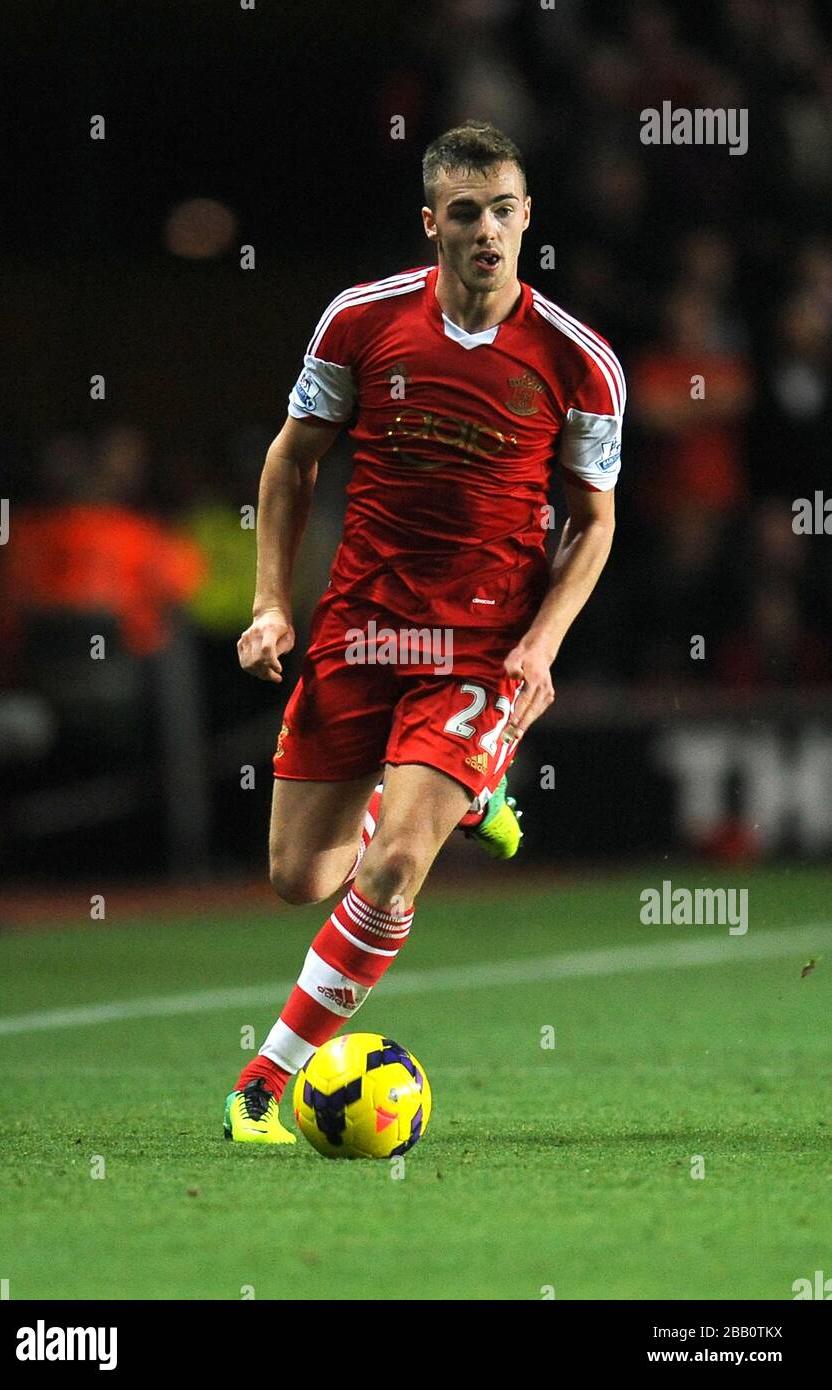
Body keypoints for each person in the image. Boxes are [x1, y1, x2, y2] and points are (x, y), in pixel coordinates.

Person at [225, 122, 625, 1144]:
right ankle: (462, 795)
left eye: (502, 210)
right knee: (298, 880)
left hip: (481, 647)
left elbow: (591, 521)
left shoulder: (579, 363)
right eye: (464, 213)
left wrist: (541, 642)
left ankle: (264, 1083)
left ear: (526, 215)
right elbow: (290, 460)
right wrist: (272, 600)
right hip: (360, 629)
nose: (485, 231)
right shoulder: (359, 322)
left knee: (393, 868)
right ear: (430, 224)